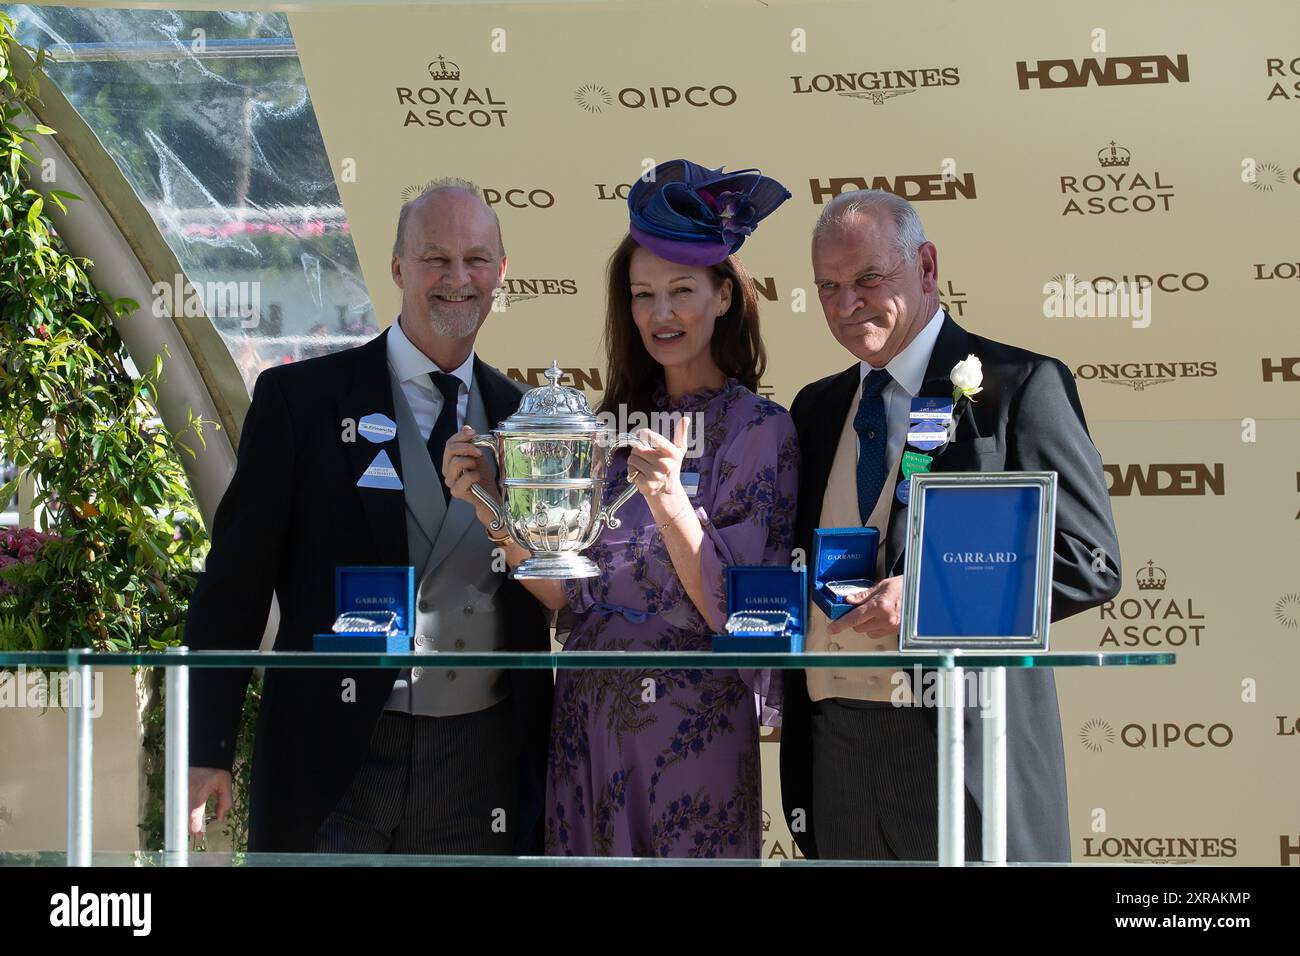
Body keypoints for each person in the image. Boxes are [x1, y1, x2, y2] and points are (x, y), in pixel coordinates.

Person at [186, 180, 552, 854]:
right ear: (397, 269)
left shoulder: (528, 422)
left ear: (502, 273)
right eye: (435, 258)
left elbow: (557, 588)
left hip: (482, 761)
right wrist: (205, 745)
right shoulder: (299, 401)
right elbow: (234, 581)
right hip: (331, 751)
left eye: (476, 259)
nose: (457, 278)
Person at [445, 160, 798, 857]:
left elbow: (740, 615)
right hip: (585, 723)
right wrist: (490, 502)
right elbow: (565, 597)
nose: (660, 314)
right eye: (643, 295)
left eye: (680, 291)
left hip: (693, 730)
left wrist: (671, 504)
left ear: (724, 296)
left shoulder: (765, 431)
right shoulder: (606, 428)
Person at [779, 189, 1122, 862]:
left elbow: (1089, 562)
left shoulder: (1018, 386)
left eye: (869, 279)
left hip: (963, 742)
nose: (848, 305)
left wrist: (930, 600)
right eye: (828, 287)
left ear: (927, 267)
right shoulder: (815, 409)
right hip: (835, 745)